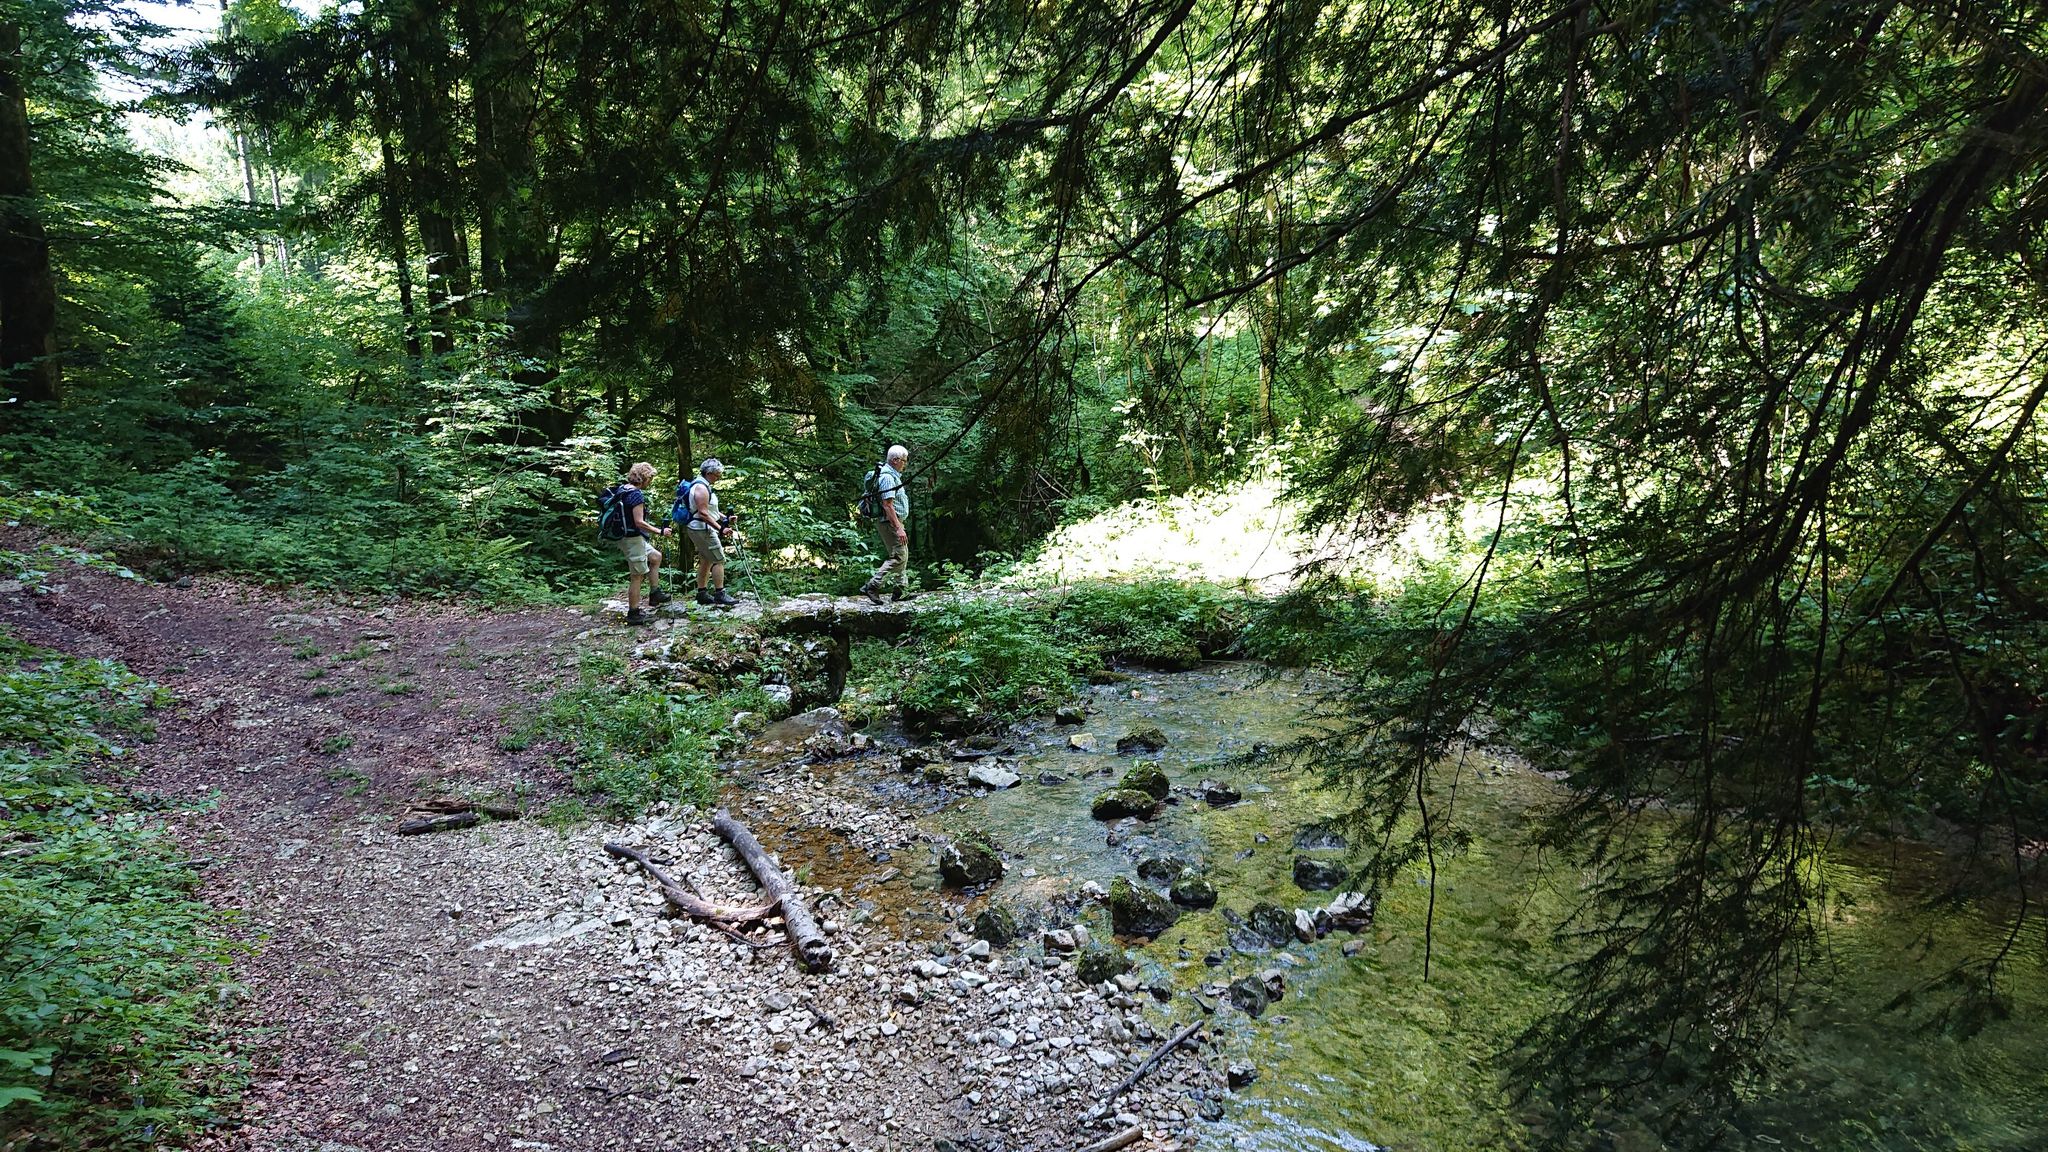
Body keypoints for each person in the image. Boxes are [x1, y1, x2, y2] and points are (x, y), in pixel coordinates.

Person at [615, 462, 672, 626]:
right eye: (650, 478)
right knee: (637, 575)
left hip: (627, 537)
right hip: (633, 538)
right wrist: (659, 531)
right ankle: (633, 613)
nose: (650, 481)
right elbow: (639, 522)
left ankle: (655, 593)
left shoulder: (623, 489)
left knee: (655, 557)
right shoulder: (636, 495)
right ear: (644, 478)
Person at [681, 458, 740, 606]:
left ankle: (702, 593)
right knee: (719, 559)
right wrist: (721, 528)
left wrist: (725, 518)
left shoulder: (703, 485)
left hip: (700, 527)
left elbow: (711, 511)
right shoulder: (701, 488)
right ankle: (720, 593)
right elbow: (703, 513)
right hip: (702, 528)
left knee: (706, 559)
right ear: (708, 473)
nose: (718, 477)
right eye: (717, 474)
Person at [862, 444, 912, 603]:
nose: (905, 464)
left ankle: (900, 591)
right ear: (896, 460)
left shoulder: (891, 475)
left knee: (902, 555)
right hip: (890, 522)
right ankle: (872, 586)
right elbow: (887, 505)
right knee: (899, 556)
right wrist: (898, 528)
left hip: (893, 521)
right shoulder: (888, 477)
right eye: (904, 461)